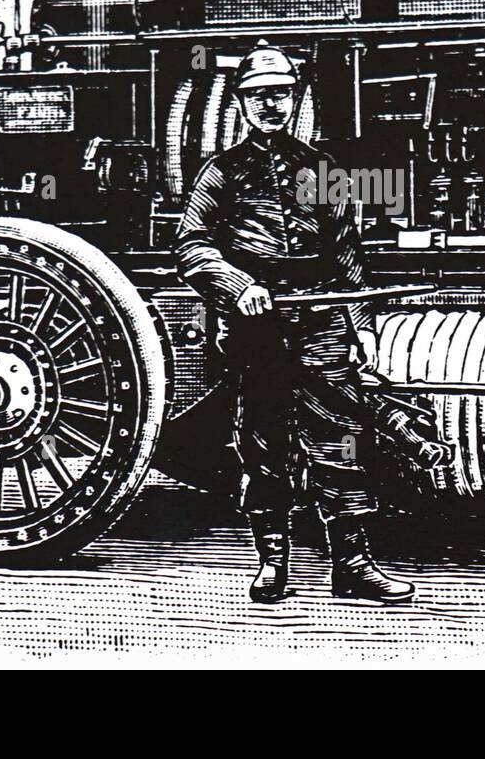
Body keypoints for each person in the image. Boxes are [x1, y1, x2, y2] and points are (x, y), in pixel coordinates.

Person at [175, 43, 416, 604]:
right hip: (258, 326)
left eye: (280, 94)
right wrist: (240, 288)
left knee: (344, 440)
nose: (270, 105)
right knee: (264, 444)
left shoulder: (323, 170)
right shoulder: (220, 174)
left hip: (320, 318)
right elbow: (191, 246)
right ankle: (272, 564)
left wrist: (362, 323)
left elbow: (347, 252)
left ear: (295, 98)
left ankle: (354, 565)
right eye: (258, 96)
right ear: (240, 104)